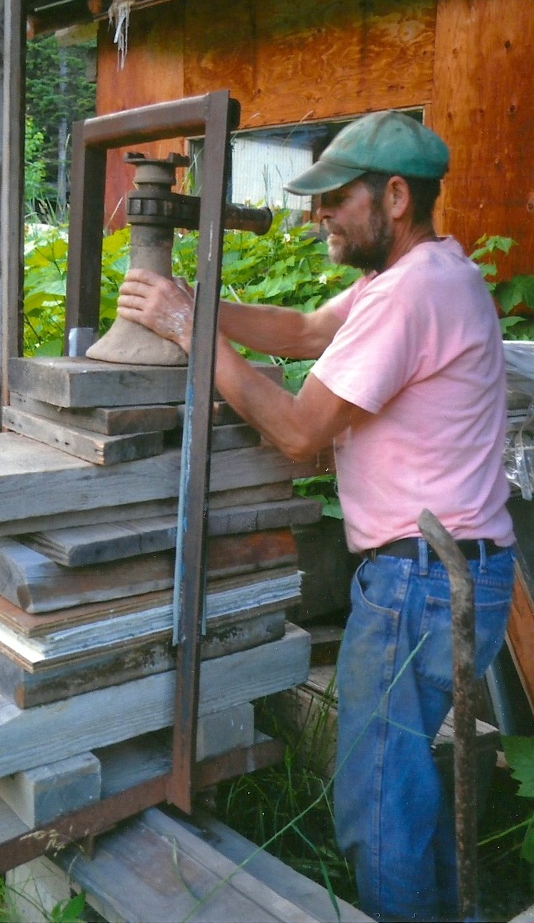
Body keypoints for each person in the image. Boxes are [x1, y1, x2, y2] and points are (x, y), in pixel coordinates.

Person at [117, 110, 516, 922]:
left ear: (395, 196)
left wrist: (189, 333)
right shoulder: (421, 274)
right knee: (407, 783)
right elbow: (303, 330)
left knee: (379, 803)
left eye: (336, 198)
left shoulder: (413, 294)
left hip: (419, 582)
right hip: (448, 572)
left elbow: (300, 432)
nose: (319, 214)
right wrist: (191, 303)